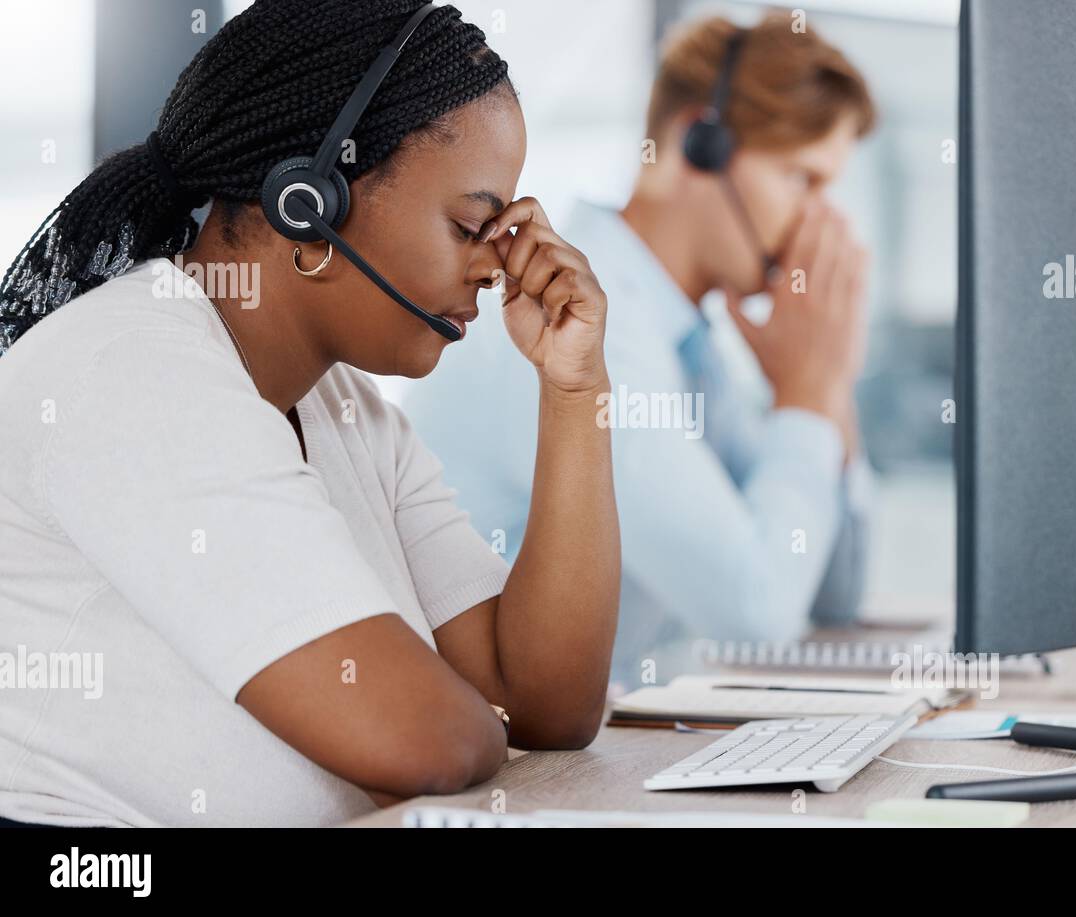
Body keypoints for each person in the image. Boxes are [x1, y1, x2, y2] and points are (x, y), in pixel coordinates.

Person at [0, 0, 618, 827]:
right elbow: (427, 738)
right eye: (473, 224)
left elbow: (544, 704)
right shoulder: (133, 367)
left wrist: (575, 390)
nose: (496, 265)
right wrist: (465, 714)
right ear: (308, 201)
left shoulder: (346, 411)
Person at [405, 12, 876, 689]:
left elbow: (832, 598)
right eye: (802, 179)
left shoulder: (688, 343)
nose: (823, 223)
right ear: (697, 145)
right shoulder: (584, 322)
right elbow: (757, 616)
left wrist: (827, 388)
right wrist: (806, 394)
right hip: (512, 751)